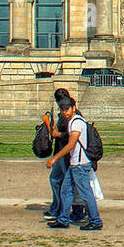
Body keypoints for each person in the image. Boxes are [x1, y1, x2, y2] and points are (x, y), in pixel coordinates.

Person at [45, 96, 102, 230]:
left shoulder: (76, 122)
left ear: (73, 108)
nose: (65, 112)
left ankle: (95, 220)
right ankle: (63, 219)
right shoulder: (72, 122)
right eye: (62, 109)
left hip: (80, 164)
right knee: (66, 190)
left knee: (85, 193)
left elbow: (71, 144)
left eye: (67, 109)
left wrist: (54, 158)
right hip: (75, 164)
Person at [42, 87, 87, 224]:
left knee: (63, 182)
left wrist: (52, 130)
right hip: (63, 152)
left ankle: (68, 211)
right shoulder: (64, 114)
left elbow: (71, 135)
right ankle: (60, 209)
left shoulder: (74, 115)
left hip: (67, 153)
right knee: (61, 182)